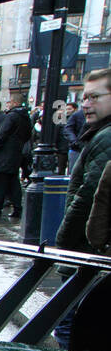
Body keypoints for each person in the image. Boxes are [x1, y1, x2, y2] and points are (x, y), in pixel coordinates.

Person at [56, 70, 111, 254]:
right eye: (85, 98)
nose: (86, 104)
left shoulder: (107, 137)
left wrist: (64, 240)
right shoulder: (99, 132)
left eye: (94, 97)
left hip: (89, 251)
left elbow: (88, 196)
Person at [0, 99, 28, 218]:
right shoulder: (25, 118)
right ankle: (17, 208)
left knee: (0, 183)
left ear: (15, 103)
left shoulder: (11, 116)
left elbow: (2, 134)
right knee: (13, 182)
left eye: (9, 102)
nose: (7, 104)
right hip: (15, 154)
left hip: (4, 155)